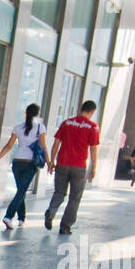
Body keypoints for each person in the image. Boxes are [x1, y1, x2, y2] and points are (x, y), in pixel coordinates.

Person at [44, 99, 101, 235]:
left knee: (59, 192)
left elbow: (56, 143)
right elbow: (93, 149)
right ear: (92, 112)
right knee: (75, 197)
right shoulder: (92, 126)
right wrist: (94, 167)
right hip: (79, 166)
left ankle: (51, 211)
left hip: (62, 163)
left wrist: (52, 161)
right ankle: (65, 226)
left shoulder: (66, 123)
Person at [0, 103, 48, 230]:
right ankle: (8, 216)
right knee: (21, 191)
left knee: (20, 190)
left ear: (26, 113)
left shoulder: (18, 127)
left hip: (17, 162)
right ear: (37, 114)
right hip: (30, 164)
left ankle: (22, 218)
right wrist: (49, 161)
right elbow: (43, 146)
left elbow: (9, 145)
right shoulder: (40, 127)